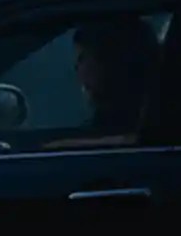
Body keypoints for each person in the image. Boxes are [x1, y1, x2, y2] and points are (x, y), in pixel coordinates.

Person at [44, 15, 161, 149]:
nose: (77, 69)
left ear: (111, 61)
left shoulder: (157, 116)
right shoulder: (110, 119)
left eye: (83, 58)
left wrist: (63, 147)